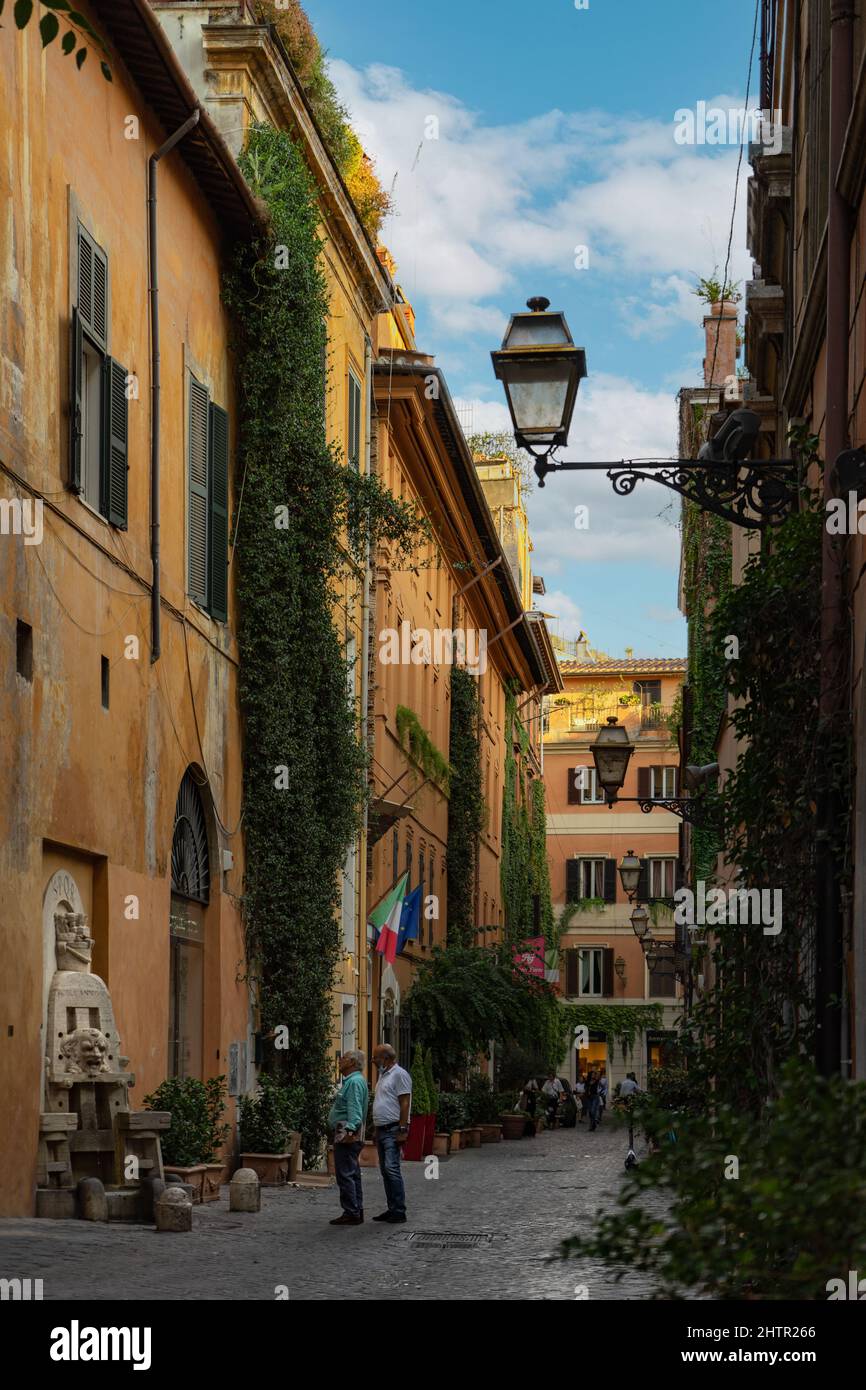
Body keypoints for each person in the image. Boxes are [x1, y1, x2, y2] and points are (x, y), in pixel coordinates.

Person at [327, 1049, 369, 1226]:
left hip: (346, 1132)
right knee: (352, 1173)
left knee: (345, 1173)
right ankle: (356, 1210)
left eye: (343, 1058)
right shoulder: (355, 1081)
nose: (340, 1060)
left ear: (352, 1062)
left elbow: (354, 1109)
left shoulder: (353, 1082)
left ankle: (351, 1211)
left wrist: (350, 1131)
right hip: (348, 1131)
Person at [371, 1043, 412, 1224]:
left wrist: (403, 1129)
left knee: (391, 1168)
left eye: (376, 1058)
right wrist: (375, 1128)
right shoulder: (383, 1075)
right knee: (385, 1171)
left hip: (393, 1128)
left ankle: (399, 1210)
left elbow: (404, 1102)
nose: (373, 1061)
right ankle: (392, 1208)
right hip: (382, 1129)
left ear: (385, 1058)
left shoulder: (399, 1075)